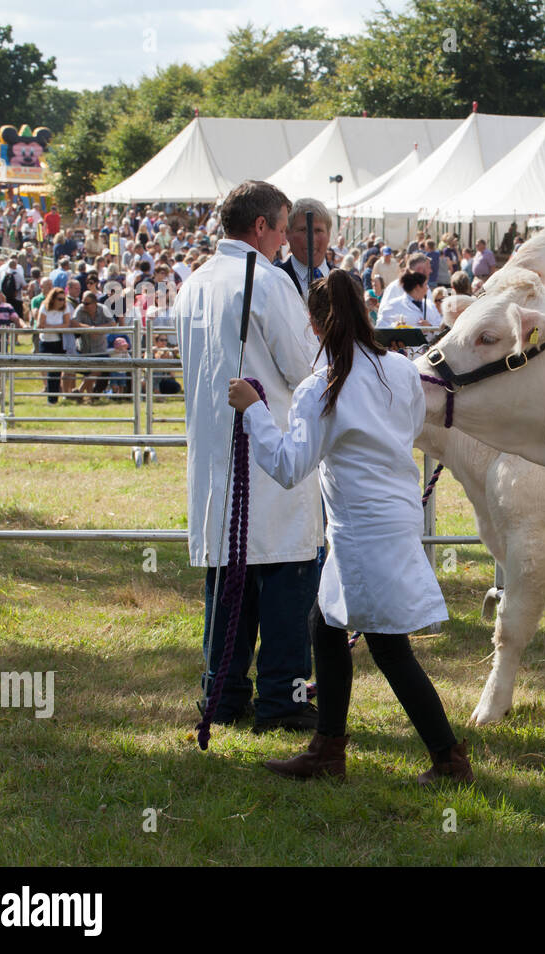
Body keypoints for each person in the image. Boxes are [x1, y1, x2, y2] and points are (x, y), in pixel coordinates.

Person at [227, 269, 473, 785]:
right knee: (327, 624)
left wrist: (254, 413)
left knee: (387, 646)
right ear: (363, 311)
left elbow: (291, 466)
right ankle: (329, 748)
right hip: (389, 517)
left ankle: (448, 757)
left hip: (362, 527)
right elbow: (405, 430)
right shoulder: (401, 370)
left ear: (314, 327)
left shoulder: (323, 387)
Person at [171, 179, 323, 733]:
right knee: (285, 578)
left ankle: (223, 692)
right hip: (268, 450)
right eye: (283, 228)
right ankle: (281, 699)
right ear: (262, 226)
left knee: (228, 580)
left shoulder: (194, 284)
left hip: (215, 456)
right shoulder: (268, 281)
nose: (287, 240)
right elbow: (305, 368)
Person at [278, 198, 331, 301]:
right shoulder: (275, 280)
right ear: (288, 233)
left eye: (318, 230)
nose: (311, 239)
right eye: (303, 230)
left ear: (328, 235)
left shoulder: (349, 281)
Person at [35, 286, 75, 403]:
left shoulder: (65, 308)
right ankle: (51, 396)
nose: (62, 302)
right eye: (60, 299)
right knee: (49, 369)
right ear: (53, 299)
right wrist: (54, 328)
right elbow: (40, 324)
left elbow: (66, 324)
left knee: (56, 371)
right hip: (46, 342)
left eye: (63, 299)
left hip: (59, 341)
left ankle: (53, 398)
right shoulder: (44, 307)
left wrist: (50, 327)